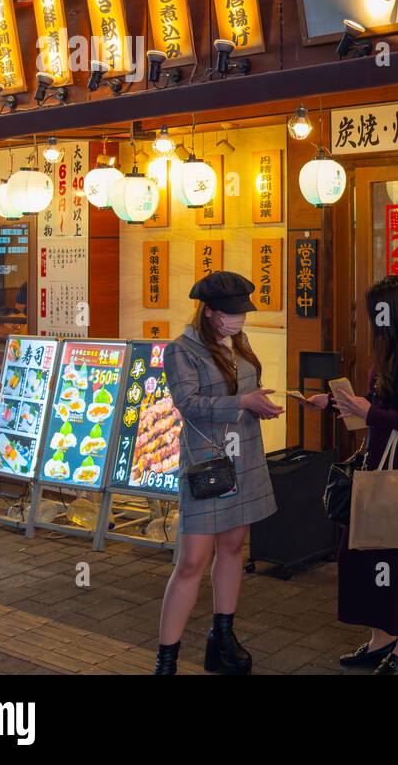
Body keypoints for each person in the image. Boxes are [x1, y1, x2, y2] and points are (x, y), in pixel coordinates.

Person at [306, 274, 398, 675]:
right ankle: (380, 637)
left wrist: (371, 414)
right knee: (360, 551)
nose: (374, 318)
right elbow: (373, 403)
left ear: (397, 310)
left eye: (379, 311)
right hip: (375, 459)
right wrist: (331, 403)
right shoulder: (386, 347)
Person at [154, 272, 282, 676]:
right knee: (192, 560)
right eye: (231, 313)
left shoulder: (236, 342)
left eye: (242, 311)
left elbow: (244, 389)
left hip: (243, 457)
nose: (238, 319)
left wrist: (264, 401)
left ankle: (221, 637)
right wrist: (242, 401)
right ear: (208, 312)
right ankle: (166, 660)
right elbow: (188, 403)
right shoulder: (181, 350)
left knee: (232, 548)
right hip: (208, 463)